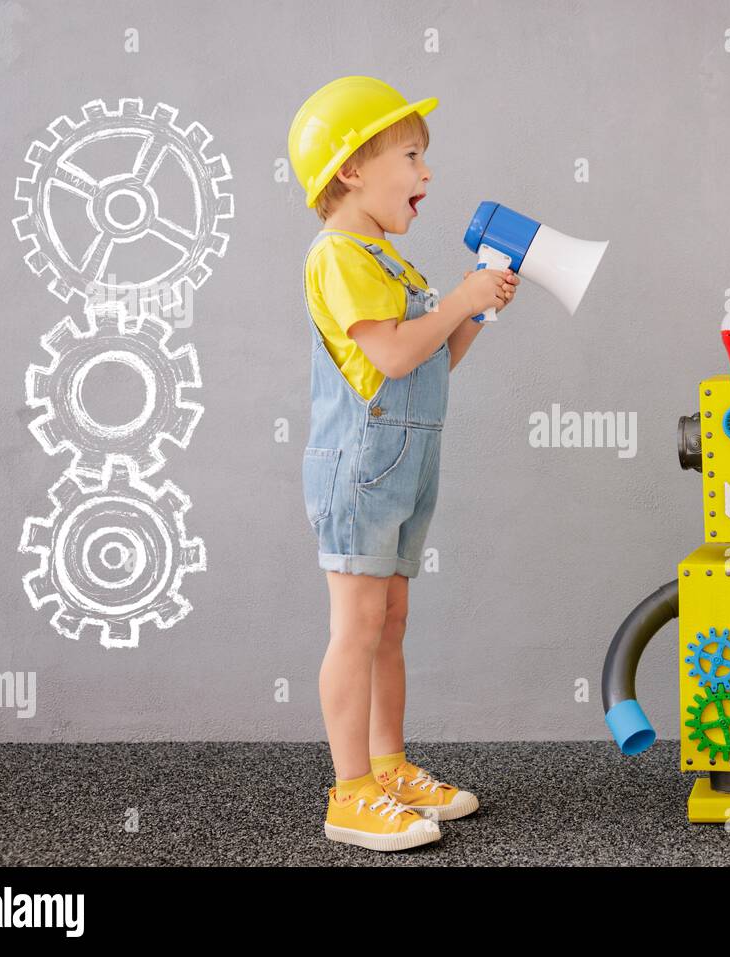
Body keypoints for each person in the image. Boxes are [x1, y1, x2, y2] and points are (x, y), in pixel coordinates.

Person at [287, 76, 518, 851]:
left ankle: (387, 766)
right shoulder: (339, 256)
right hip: (360, 467)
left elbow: (432, 362)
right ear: (352, 168)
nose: (427, 175)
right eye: (413, 157)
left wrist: (474, 308)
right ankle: (349, 792)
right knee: (356, 624)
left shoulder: (393, 263)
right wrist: (458, 300)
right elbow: (386, 356)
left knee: (391, 621)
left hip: (407, 462)